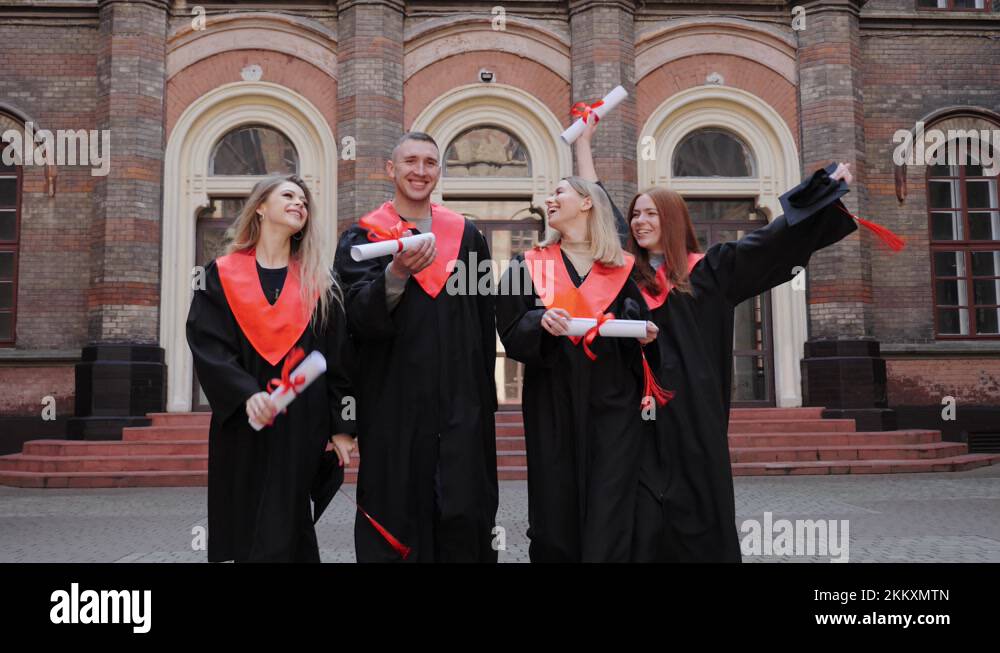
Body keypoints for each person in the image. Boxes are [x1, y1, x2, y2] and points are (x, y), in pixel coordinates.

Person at [334, 132, 499, 563]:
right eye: (410, 161)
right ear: (391, 169)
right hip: (393, 406)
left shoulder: (467, 237)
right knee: (396, 515)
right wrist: (395, 275)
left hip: (461, 407)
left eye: (430, 162)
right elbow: (352, 319)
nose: (420, 171)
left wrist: (483, 401)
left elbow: (483, 322)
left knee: (464, 515)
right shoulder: (363, 238)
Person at [187, 174, 357, 563]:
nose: (300, 203)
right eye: (288, 195)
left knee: (289, 521)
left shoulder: (319, 283)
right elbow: (209, 344)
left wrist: (343, 427)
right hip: (245, 420)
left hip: (302, 422)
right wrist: (247, 394)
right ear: (260, 206)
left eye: (304, 200)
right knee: (246, 520)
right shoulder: (222, 274)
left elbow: (339, 359)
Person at [495, 171, 660, 563]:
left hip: (614, 406)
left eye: (558, 192)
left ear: (587, 202)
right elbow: (510, 329)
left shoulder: (624, 268)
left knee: (610, 509)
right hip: (552, 403)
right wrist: (540, 322)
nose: (549, 199)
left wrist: (646, 335)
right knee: (555, 512)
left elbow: (647, 327)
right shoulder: (528, 264)